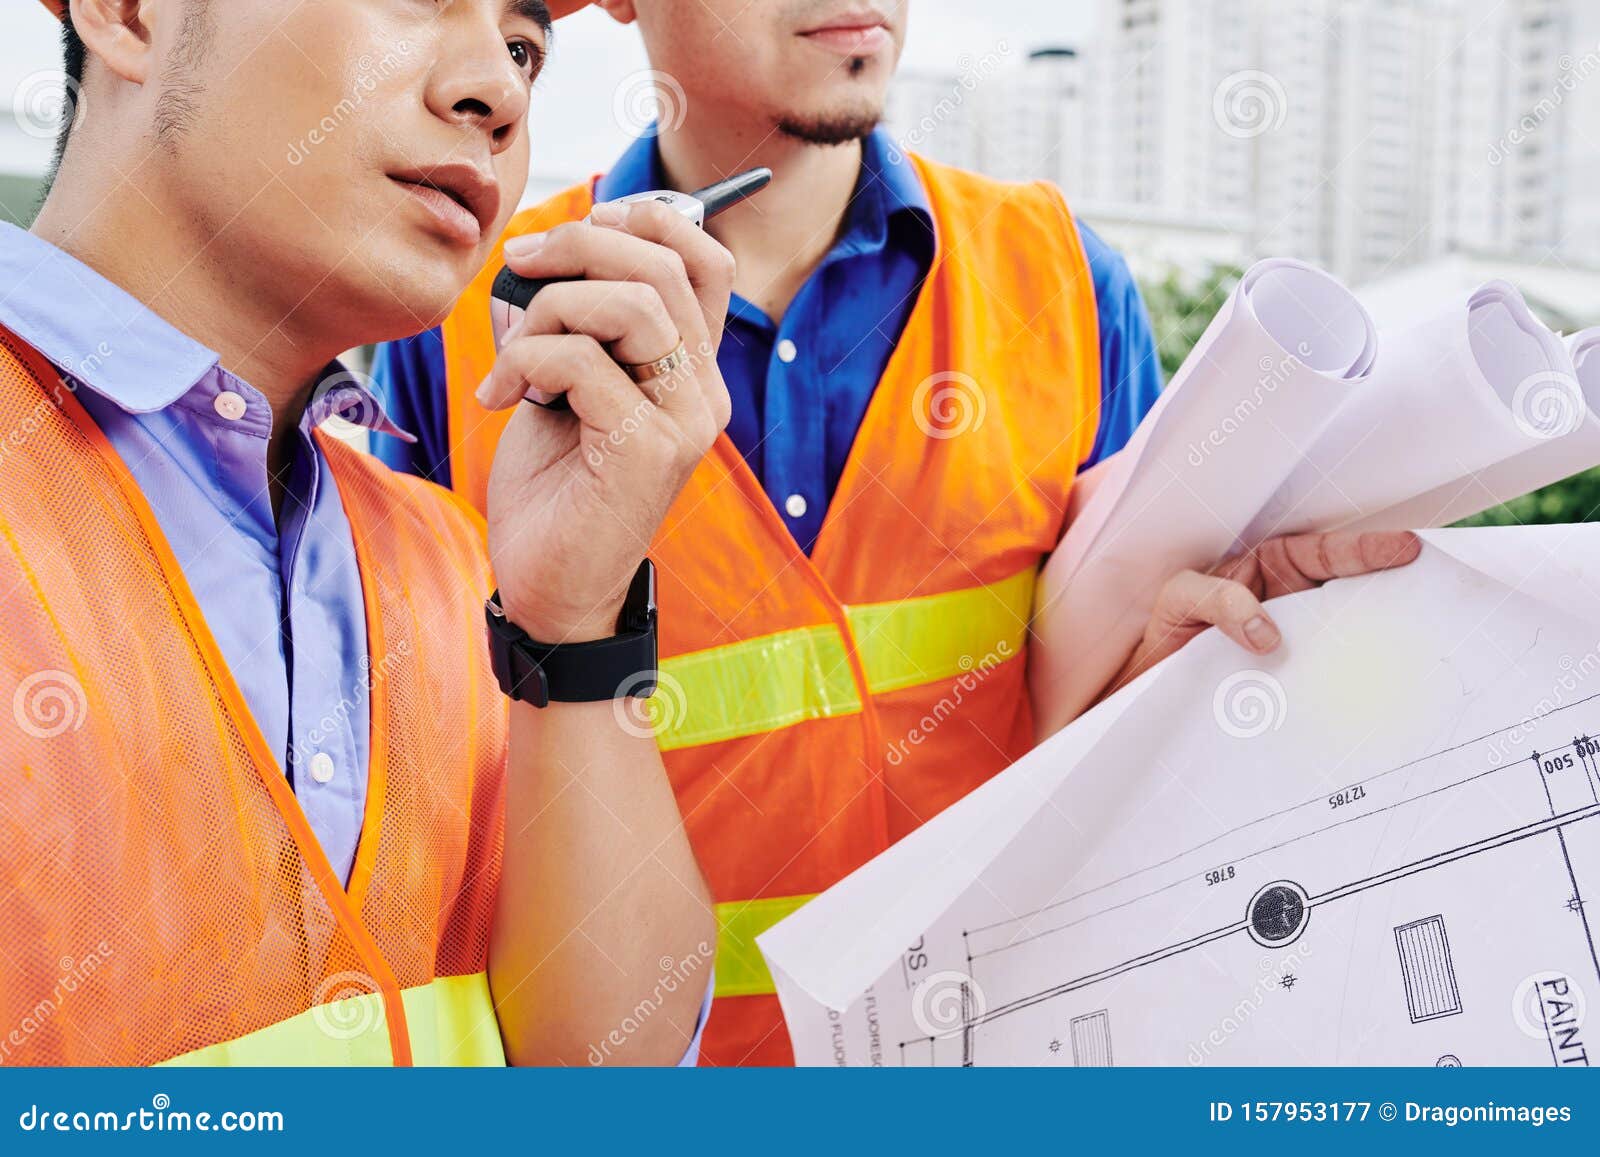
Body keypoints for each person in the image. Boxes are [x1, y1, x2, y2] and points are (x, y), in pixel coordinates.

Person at [371, 0, 1421, 1065]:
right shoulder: (476, 320)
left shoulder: (1058, 277)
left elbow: (1097, 734)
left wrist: (1180, 678)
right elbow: (426, 811)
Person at [1, 0, 734, 1067]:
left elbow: (606, 1076)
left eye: (524, 45)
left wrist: (577, 624)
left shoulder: (454, 564)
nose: (499, 89)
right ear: (127, 15)